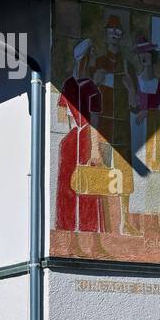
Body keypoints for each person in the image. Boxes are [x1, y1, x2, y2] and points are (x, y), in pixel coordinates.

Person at [55, 38, 104, 244]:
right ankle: (88, 229)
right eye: (92, 55)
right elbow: (95, 124)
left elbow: (61, 116)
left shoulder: (67, 84)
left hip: (71, 138)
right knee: (87, 185)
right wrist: (96, 150)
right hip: (84, 139)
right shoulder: (92, 88)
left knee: (69, 183)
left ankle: (67, 226)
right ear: (86, 58)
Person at [92, 14, 137, 235]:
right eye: (111, 31)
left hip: (122, 125)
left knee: (123, 172)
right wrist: (98, 80)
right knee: (103, 170)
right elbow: (89, 95)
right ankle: (103, 224)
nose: (115, 35)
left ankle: (124, 221)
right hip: (102, 124)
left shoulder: (128, 66)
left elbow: (136, 105)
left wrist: (129, 89)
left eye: (118, 32)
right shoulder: (98, 62)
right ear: (106, 34)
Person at [129, 36, 160, 226]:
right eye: (140, 54)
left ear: (152, 57)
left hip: (153, 132)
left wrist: (147, 113)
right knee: (135, 169)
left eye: (146, 54)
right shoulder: (134, 83)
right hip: (137, 131)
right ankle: (135, 218)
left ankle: (154, 218)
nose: (143, 57)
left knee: (155, 170)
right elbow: (130, 106)